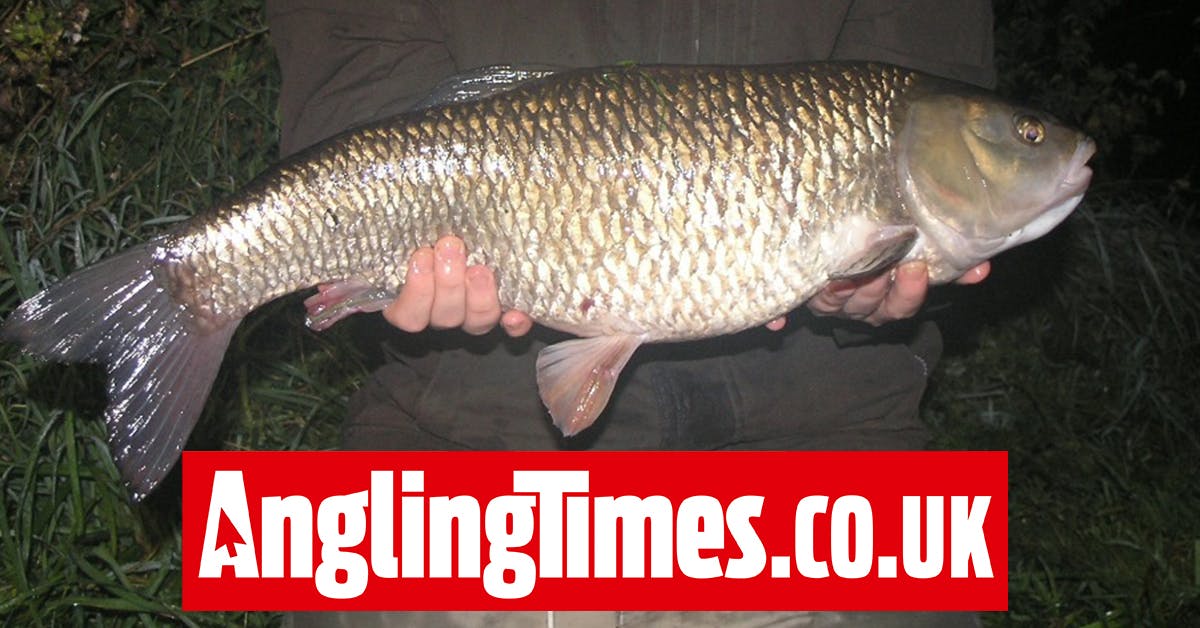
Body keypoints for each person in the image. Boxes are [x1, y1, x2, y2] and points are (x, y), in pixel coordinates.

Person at [270, 1, 992, 626]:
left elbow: (924, 76)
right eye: (1022, 137)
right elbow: (358, 121)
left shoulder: (900, 119)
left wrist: (868, 293)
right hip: (461, 435)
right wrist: (406, 249)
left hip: (824, 437)